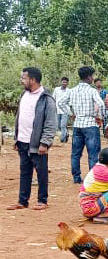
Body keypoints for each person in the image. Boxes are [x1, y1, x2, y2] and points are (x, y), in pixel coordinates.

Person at [8, 67, 56, 211]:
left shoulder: (46, 98)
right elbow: (20, 117)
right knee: (25, 172)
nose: (22, 81)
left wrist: (45, 143)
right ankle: (23, 201)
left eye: (24, 78)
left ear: (33, 80)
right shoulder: (24, 95)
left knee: (41, 173)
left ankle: (42, 201)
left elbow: (50, 123)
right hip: (22, 142)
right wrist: (17, 139)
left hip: (37, 144)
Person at [57, 66, 104, 184]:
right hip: (90, 124)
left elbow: (60, 102)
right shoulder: (92, 91)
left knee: (76, 153)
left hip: (77, 124)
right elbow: (101, 104)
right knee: (93, 154)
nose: (93, 78)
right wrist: (99, 117)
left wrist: (71, 113)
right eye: (92, 76)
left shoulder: (72, 90)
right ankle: (93, 179)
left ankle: (76, 178)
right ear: (89, 77)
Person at [52, 76, 70, 143]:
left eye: (66, 82)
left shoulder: (69, 91)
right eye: (63, 82)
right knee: (58, 126)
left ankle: (63, 140)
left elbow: (70, 101)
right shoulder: (56, 89)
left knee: (63, 125)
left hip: (65, 111)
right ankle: (66, 134)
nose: (64, 83)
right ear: (61, 82)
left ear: (67, 83)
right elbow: (53, 98)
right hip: (57, 110)